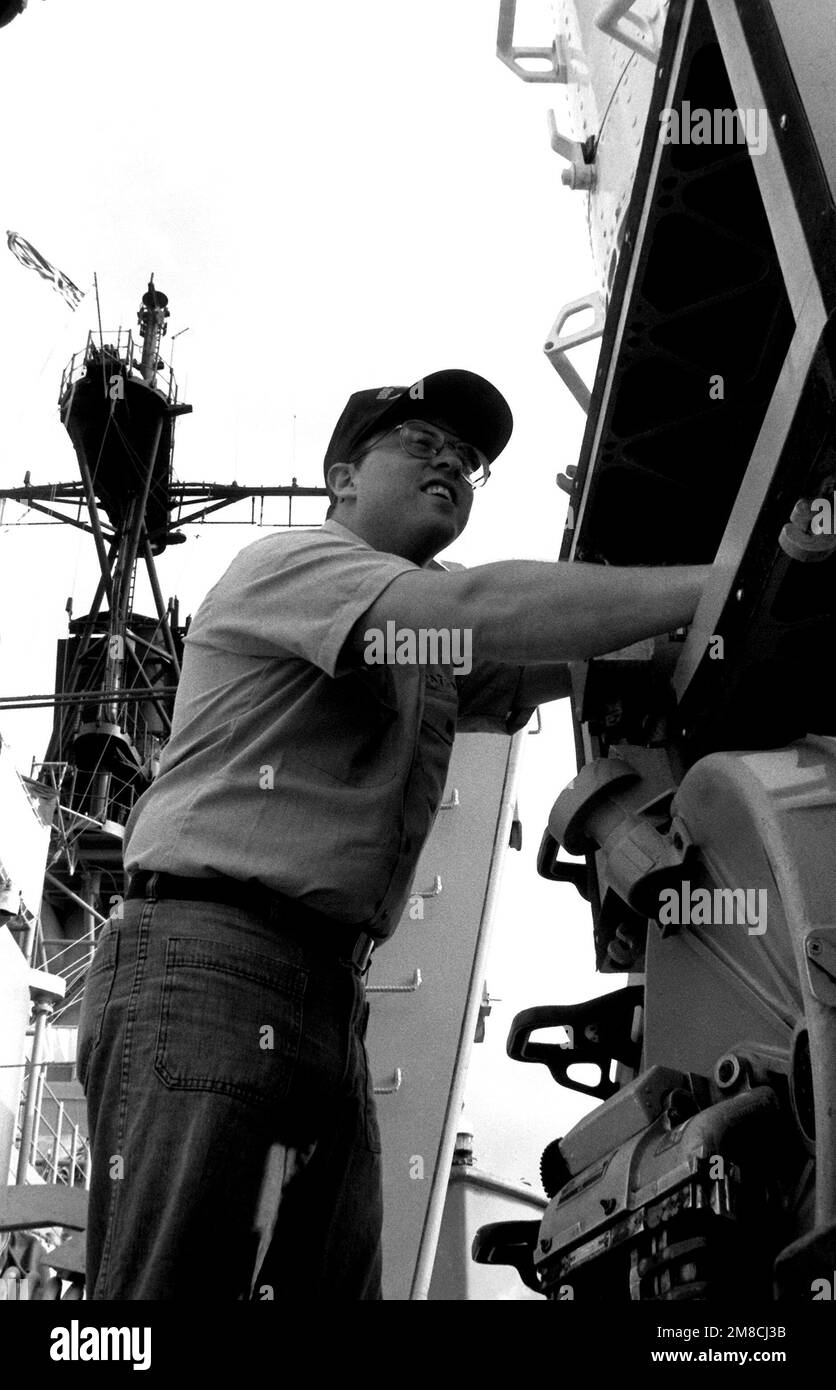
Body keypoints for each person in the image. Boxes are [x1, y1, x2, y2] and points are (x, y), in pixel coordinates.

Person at [77, 368, 710, 1300]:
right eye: (421, 445)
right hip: (209, 958)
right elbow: (478, 613)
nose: (451, 463)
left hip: (326, 990)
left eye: (467, 460)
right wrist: (723, 576)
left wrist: (705, 606)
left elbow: (558, 653)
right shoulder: (298, 567)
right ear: (342, 479)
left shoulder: (417, 642)